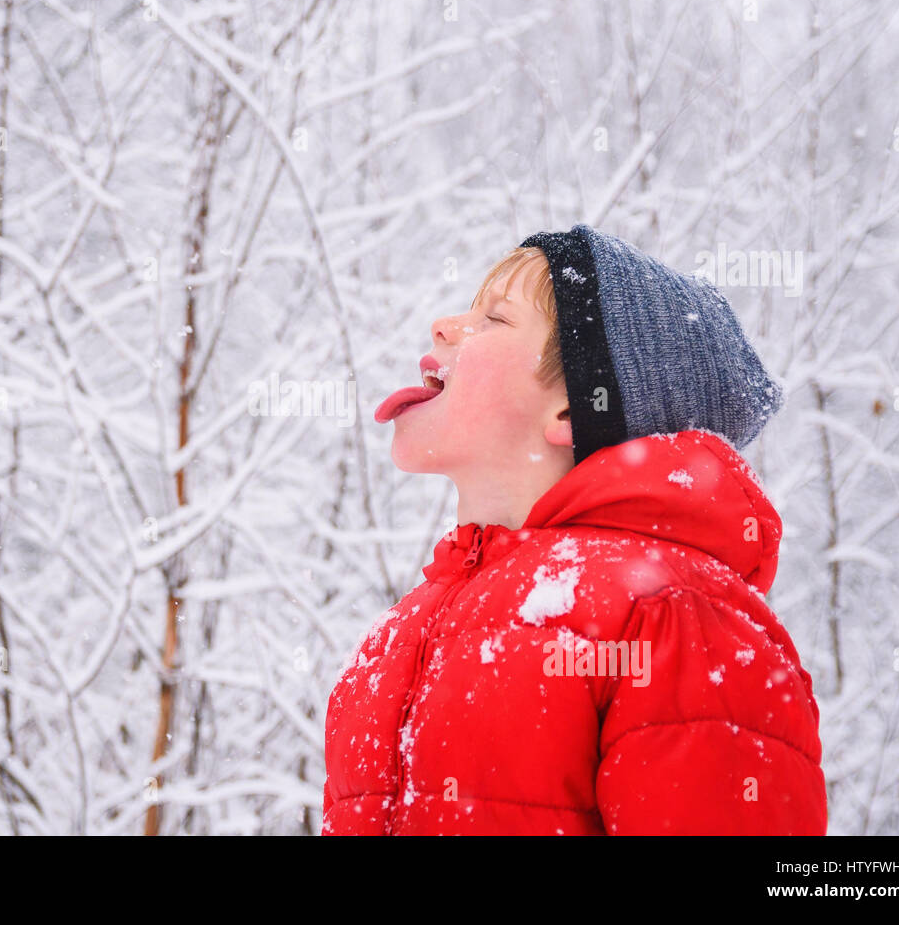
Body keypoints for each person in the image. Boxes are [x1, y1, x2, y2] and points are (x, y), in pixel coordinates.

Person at [321, 223, 827, 835]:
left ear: (570, 408)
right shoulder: (395, 640)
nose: (444, 325)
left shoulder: (672, 614)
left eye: (495, 319)